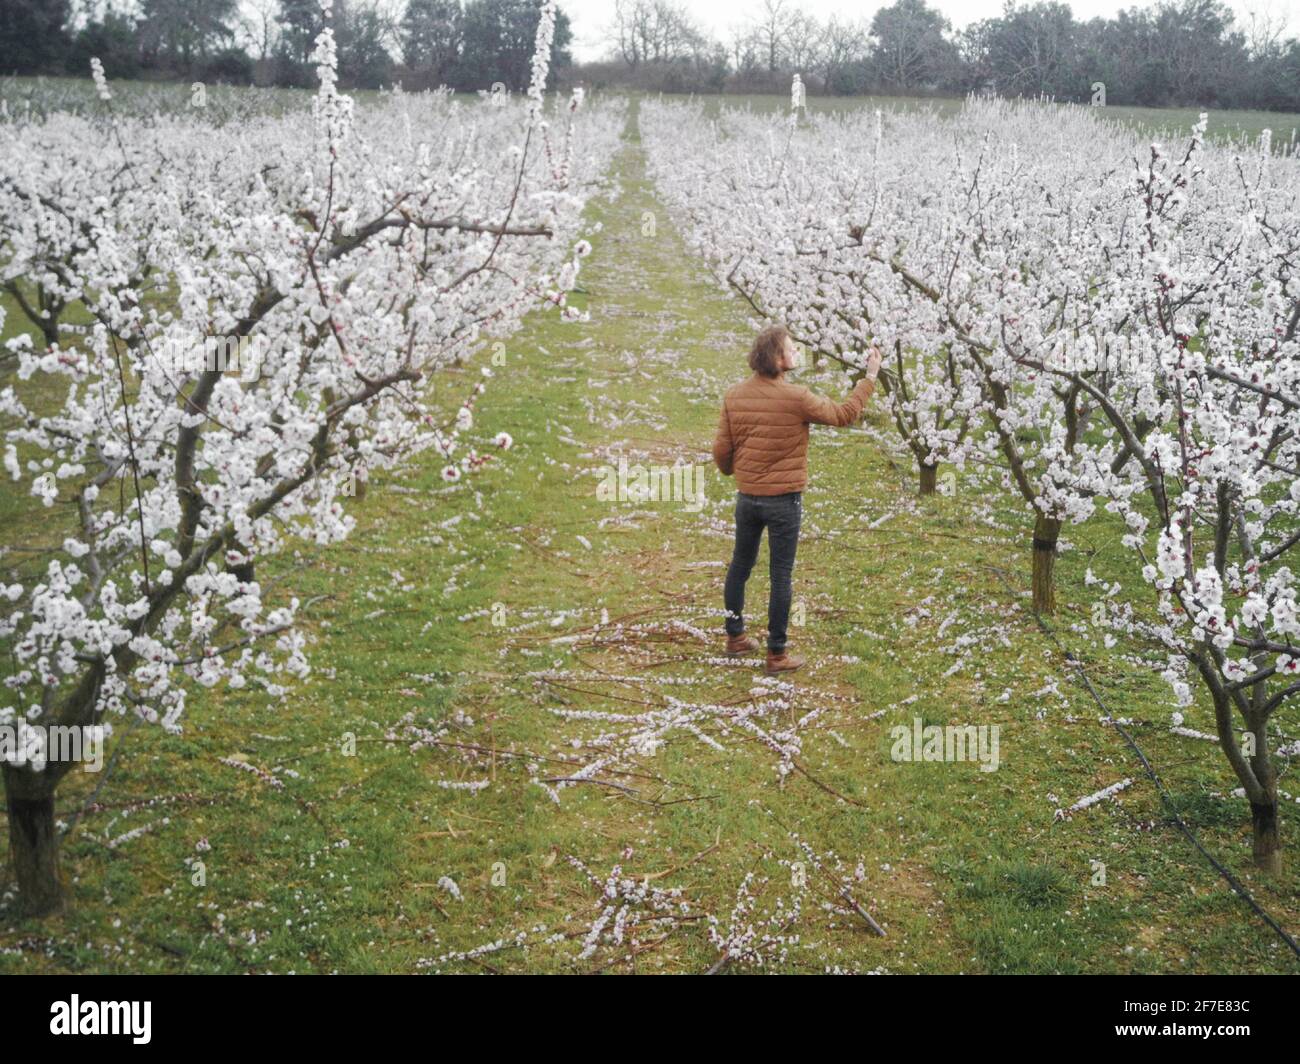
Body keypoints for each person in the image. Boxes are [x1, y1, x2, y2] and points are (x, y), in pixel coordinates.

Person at [711, 325, 882, 675]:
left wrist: (735, 472)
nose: (797, 353)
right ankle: (776, 654)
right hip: (784, 502)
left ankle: (735, 636)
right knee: (780, 574)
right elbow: (843, 415)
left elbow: (721, 450)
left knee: (740, 566)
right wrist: (870, 377)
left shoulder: (734, 395)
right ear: (777, 358)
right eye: (791, 348)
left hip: (748, 499)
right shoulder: (797, 397)